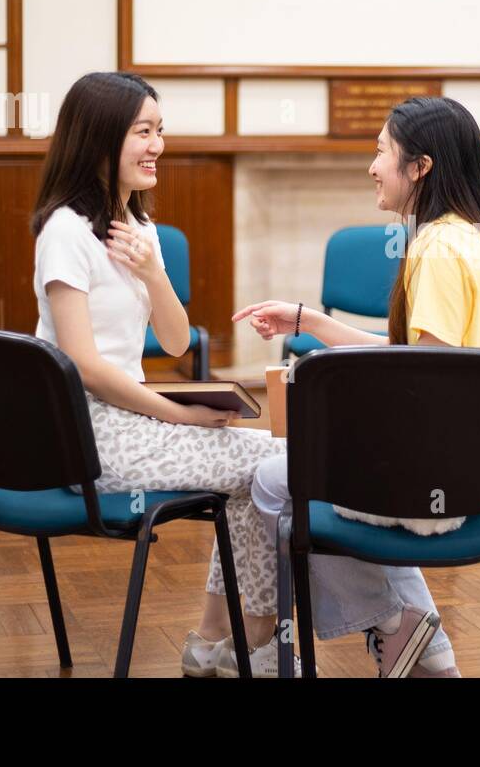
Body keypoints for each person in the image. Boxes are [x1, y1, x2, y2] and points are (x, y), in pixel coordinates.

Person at [233, 95, 480, 677]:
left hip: (444, 490)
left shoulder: (433, 248)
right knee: (308, 465)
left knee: (273, 479)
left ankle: (391, 623)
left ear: (420, 166)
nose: (372, 166)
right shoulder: (475, 240)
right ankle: (420, 646)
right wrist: (308, 321)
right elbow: (422, 363)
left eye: (381, 150)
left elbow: (421, 384)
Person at [29, 71, 295, 677]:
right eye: (142, 132)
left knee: (263, 466)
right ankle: (251, 647)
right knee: (269, 464)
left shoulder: (140, 229)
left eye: (160, 130)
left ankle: (216, 644)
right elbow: (86, 367)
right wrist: (180, 414)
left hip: (123, 417)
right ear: (98, 140)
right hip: (83, 436)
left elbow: (176, 341)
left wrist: (152, 272)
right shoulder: (65, 231)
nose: (158, 146)